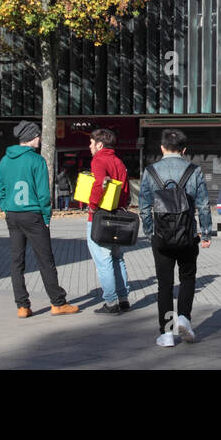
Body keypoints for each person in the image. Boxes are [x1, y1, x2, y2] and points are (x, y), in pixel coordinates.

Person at [0, 121, 79, 317]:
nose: (40, 139)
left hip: (13, 215)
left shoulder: (5, 160)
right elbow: (43, 193)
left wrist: (5, 208)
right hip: (33, 215)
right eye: (38, 136)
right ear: (32, 137)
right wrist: (46, 216)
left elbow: (0, 189)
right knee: (45, 260)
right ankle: (58, 303)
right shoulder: (37, 161)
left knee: (17, 261)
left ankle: (22, 306)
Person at [140, 128, 213, 348]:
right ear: (184, 149)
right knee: (188, 278)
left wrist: (150, 231)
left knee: (164, 284)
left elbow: (144, 207)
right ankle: (184, 318)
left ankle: (166, 333)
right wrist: (206, 232)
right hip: (188, 234)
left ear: (162, 148)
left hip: (161, 237)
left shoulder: (150, 171)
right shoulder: (194, 171)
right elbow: (203, 205)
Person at [86, 128, 131, 315]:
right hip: (118, 215)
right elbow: (126, 190)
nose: (89, 146)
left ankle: (110, 302)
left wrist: (92, 206)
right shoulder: (118, 161)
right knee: (117, 257)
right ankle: (123, 298)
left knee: (103, 259)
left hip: (100, 216)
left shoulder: (99, 159)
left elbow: (98, 183)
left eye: (91, 143)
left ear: (99, 144)